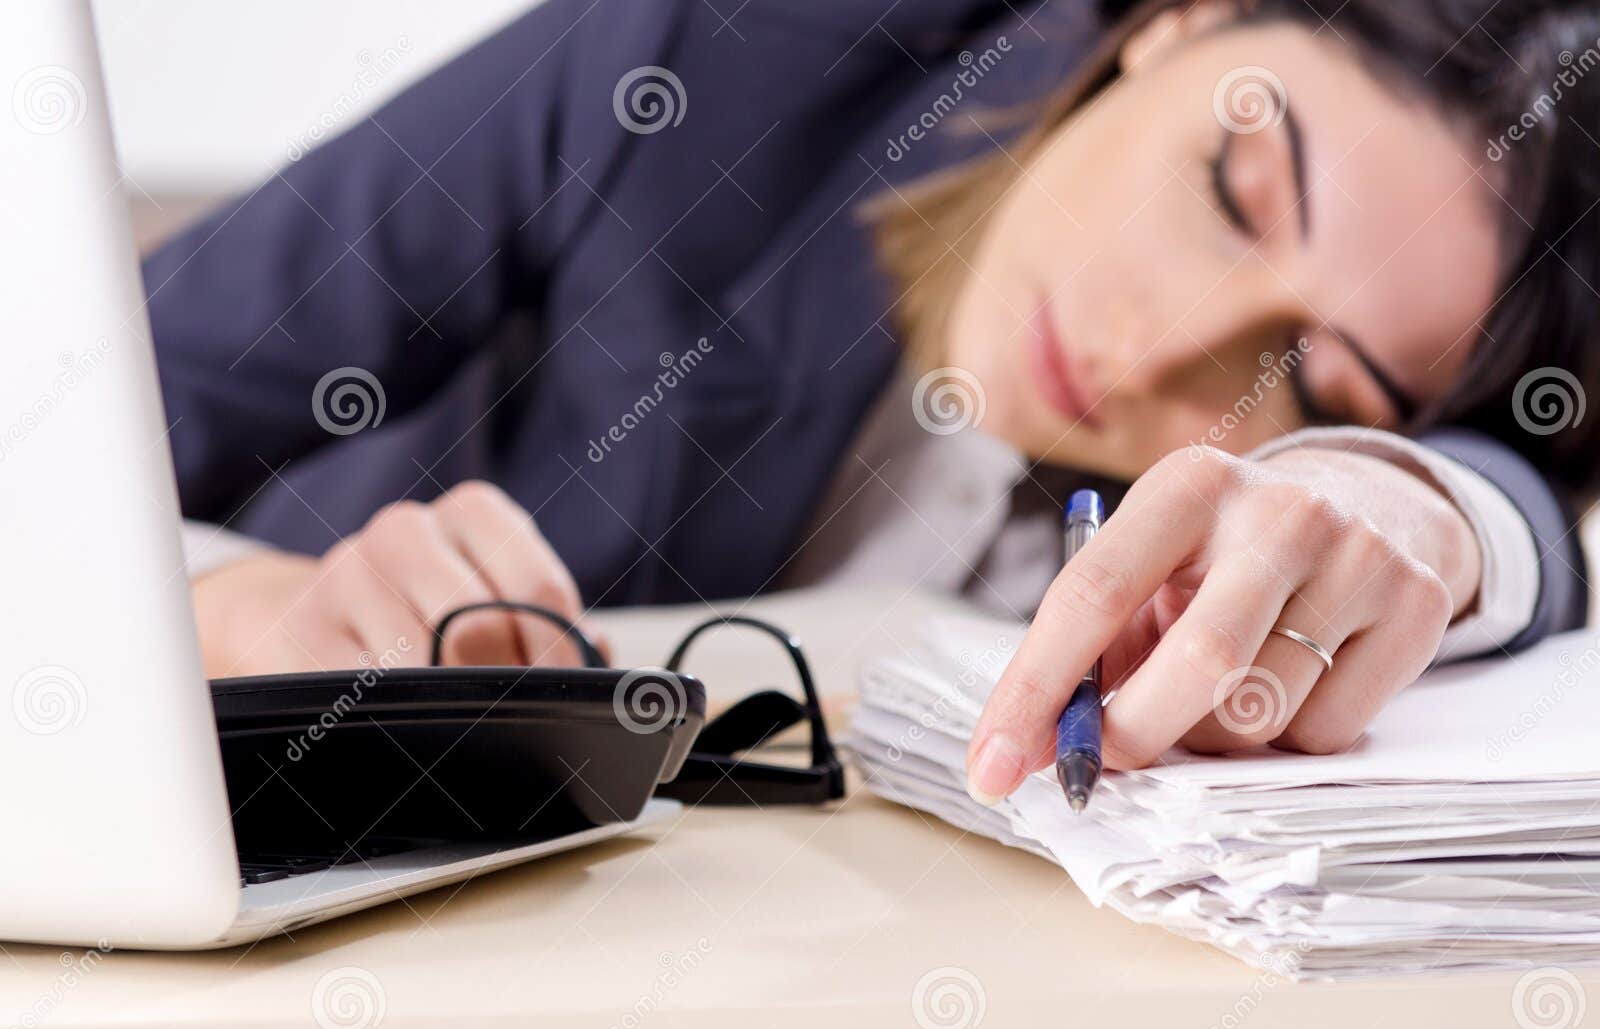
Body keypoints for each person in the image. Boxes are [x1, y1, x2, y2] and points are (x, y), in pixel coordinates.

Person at [147, 0, 1595, 805]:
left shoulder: (1382, 458)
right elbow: (109, 393)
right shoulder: (728, 58)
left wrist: (1418, 501)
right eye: (1229, 190)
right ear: (1178, 22)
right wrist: (226, 611)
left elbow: (1506, 495)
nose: (1156, 351)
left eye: (1319, 379)